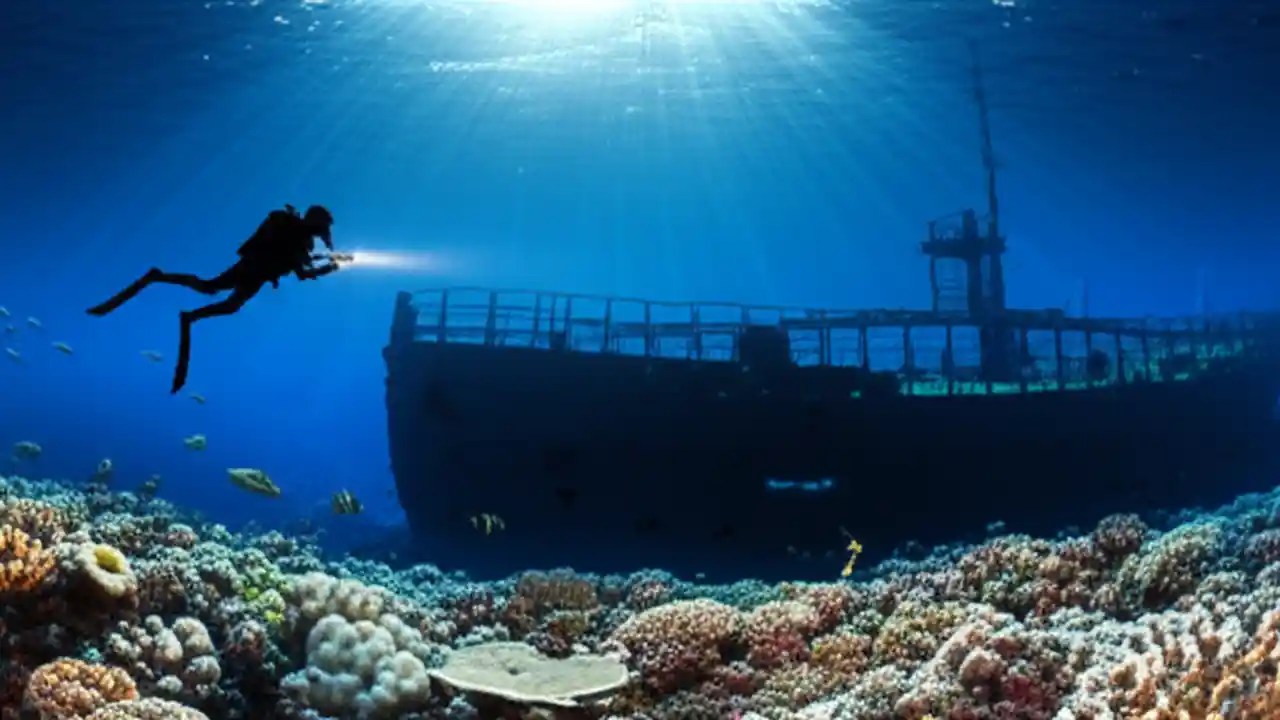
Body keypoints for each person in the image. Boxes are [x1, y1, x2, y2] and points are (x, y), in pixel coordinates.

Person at [86, 204, 344, 393]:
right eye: (325, 227)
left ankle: (176, 299)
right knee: (217, 294)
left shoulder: (294, 231)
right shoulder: (297, 237)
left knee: (214, 291)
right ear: (317, 223)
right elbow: (302, 273)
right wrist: (330, 268)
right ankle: (175, 300)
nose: (325, 232)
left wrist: (329, 259)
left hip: (253, 271)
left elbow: (299, 261)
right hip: (252, 272)